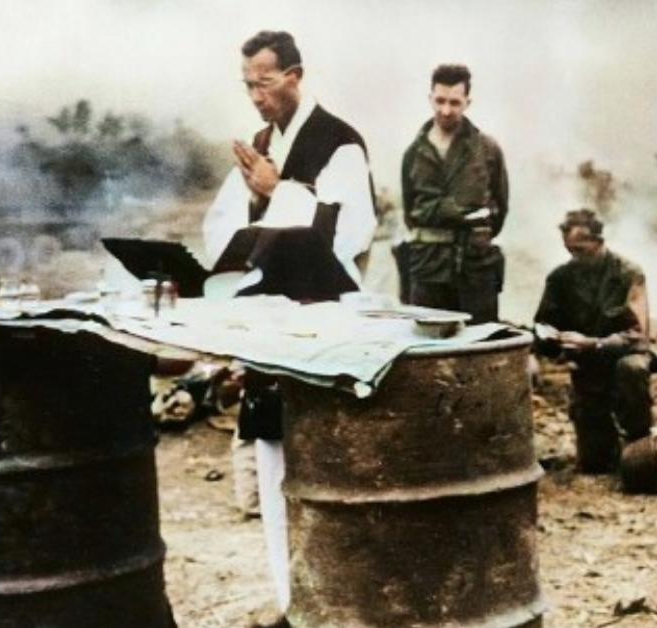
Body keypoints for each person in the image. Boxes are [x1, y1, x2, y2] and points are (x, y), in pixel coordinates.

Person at [201, 30, 376, 628]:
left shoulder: (340, 143)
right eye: (247, 84)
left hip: (326, 319)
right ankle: (290, 599)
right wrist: (254, 203)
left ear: (296, 75)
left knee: (330, 463)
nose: (255, 96)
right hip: (271, 323)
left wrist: (280, 193)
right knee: (273, 454)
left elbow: (349, 233)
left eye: (265, 82)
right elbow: (222, 229)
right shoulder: (258, 145)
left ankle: (340, 601)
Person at [533, 208, 657, 494]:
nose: (576, 256)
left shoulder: (628, 273)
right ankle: (607, 443)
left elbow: (638, 336)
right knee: (595, 463)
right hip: (586, 362)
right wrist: (548, 338)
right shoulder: (560, 277)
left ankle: (639, 438)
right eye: (570, 250)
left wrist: (594, 343)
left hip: (624, 353)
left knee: (630, 369)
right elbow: (544, 322)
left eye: (582, 249)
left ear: (599, 241)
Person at [400, 63, 509, 323]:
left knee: (480, 341)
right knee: (429, 342)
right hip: (428, 267)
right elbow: (409, 211)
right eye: (439, 101)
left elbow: (500, 208)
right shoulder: (414, 153)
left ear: (467, 102)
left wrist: (473, 236)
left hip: (476, 267)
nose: (446, 110)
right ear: (430, 98)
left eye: (454, 102)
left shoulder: (487, 149)